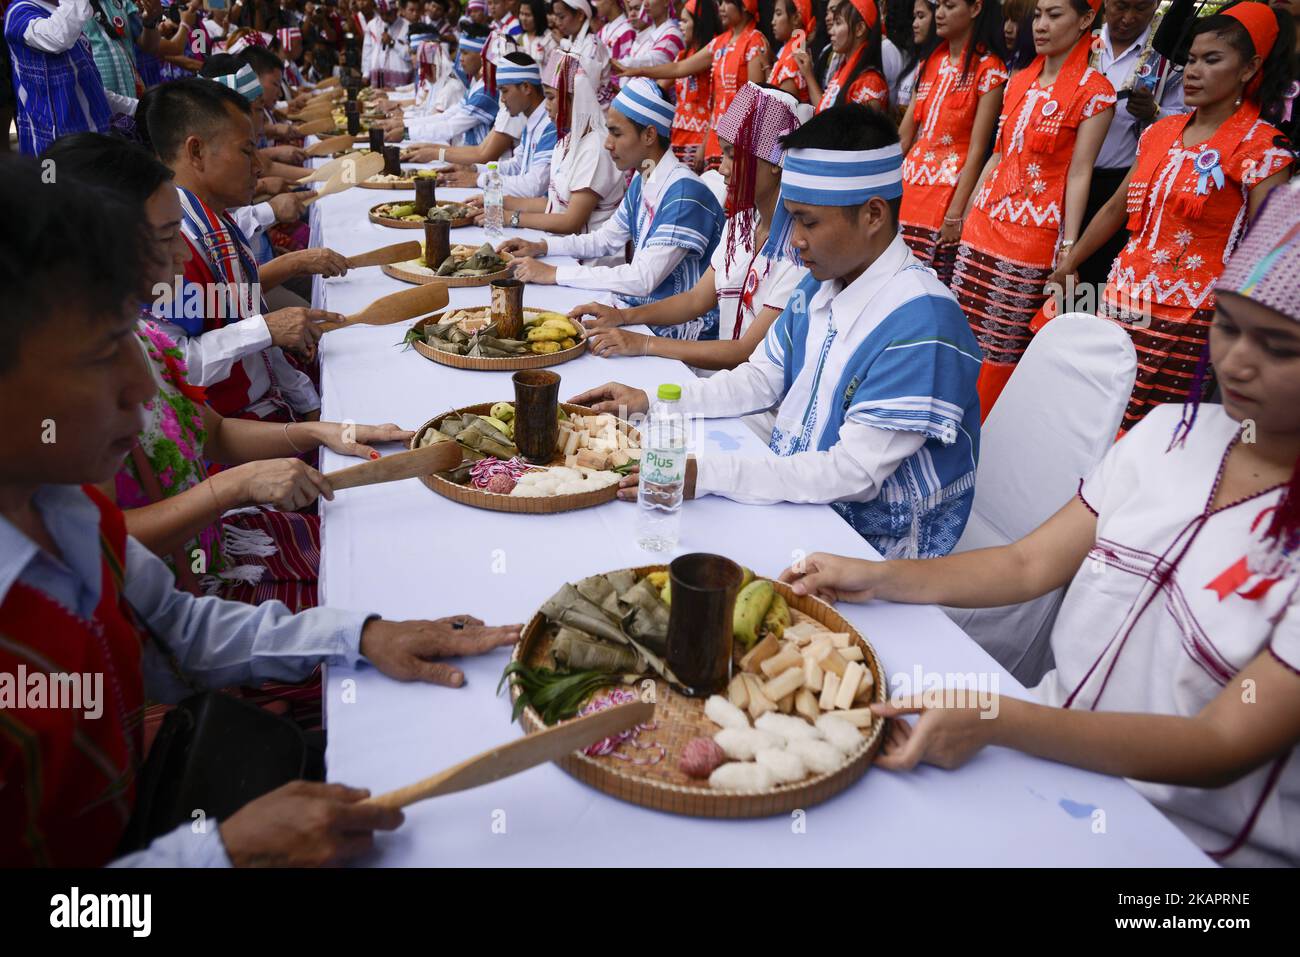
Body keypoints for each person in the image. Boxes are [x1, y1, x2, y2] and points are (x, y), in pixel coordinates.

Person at [0, 155, 520, 868]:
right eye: (99, 355)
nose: (139, 385)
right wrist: (223, 853)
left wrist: (360, 634)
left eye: (129, 337)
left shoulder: (63, 504)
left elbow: (180, 623)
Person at [781, 179, 1300, 867]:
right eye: (1228, 326)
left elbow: (1220, 745)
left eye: (1278, 346)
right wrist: (876, 575)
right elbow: (1029, 564)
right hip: (1049, 757)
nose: (1235, 360)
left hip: (1181, 841)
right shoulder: (1171, 436)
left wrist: (1005, 718)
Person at [573, 104, 983, 558]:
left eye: (809, 222)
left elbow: (852, 474)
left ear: (872, 215)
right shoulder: (821, 282)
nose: (797, 240)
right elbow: (761, 376)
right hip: (803, 498)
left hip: (873, 550)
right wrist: (650, 401)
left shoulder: (922, 324)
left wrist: (709, 475)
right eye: (793, 220)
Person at [1051, 1, 1295, 432]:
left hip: (1192, 318)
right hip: (1121, 298)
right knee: (1091, 416)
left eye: (1212, 60)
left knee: (1152, 430)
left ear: (1248, 69)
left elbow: (1267, 255)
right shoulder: (1161, 132)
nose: (1194, 71)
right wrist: (1070, 262)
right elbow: (1115, 208)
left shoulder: (1264, 152)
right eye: (1192, 60)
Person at [144, 78, 350, 422]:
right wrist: (265, 330)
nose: (258, 166)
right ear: (195, 152)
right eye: (246, 151)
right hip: (231, 430)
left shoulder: (216, 223)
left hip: (268, 403)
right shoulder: (171, 245)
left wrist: (309, 405)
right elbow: (172, 369)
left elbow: (255, 336)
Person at [951, 0, 1114, 417]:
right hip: (983, 224)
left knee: (1000, 346)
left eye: (1054, 15)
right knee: (959, 331)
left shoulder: (1096, 93)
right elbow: (997, 156)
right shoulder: (1019, 79)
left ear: (1086, 19)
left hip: (1033, 237)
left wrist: (1069, 249)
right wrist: (967, 213)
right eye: (1038, 14)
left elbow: (1080, 174)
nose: (1040, 25)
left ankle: (981, 435)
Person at [576, 81, 805, 369]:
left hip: (749, 398)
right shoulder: (741, 227)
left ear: (775, 161)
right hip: (724, 380)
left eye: (733, 155)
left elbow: (744, 351)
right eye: (723, 154)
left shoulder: (798, 251)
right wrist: (623, 317)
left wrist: (643, 343)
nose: (722, 168)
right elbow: (697, 299)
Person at [501, 77, 726, 338]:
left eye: (617, 133)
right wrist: (544, 247)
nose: (608, 143)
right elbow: (606, 239)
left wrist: (555, 273)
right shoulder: (646, 178)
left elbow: (642, 280)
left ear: (649, 135)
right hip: (641, 314)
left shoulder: (685, 195)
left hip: (682, 332)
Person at [1073, 0, 1188, 289]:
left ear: (1156, 7)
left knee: (1091, 279)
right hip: (1062, 177)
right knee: (1053, 269)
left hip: (1117, 185)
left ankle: (1080, 323)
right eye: (1120, 7)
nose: (1127, 18)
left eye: (1140, 9)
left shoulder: (1167, 57)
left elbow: (1187, 121)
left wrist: (1154, 113)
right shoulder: (1080, 38)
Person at [897, 0, 1008, 284]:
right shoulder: (931, 61)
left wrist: (957, 212)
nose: (940, 14)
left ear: (975, 9)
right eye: (938, 6)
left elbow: (978, 149)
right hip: (909, 185)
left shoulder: (990, 70)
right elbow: (905, 135)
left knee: (929, 282)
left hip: (948, 191)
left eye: (950, 5)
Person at [473, 47, 625, 231]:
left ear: (574, 99)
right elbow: (553, 205)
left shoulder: (595, 147)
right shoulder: (567, 142)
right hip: (564, 247)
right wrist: (500, 201)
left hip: (582, 258)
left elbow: (570, 222)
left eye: (551, 98)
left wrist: (510, 217)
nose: (546, 106)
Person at [617, 0, 768, 163]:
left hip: (738, 139)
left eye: (727, 3)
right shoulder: (720, 43)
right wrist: (639, 71)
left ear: (745, 6)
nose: (722, 8)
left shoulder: (755, 42)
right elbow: (678, 69)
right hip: (713, 138)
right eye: (721, 3)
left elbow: (756, 100)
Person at [4, 0, 137, 153]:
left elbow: (90, 89)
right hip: (55, 151)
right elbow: (58, 37)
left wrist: (136, 107)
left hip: (96, 141)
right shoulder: (18, 12)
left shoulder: (65, 13)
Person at [424, 51, 557, 191]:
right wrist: (474, 169)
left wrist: (480, 179)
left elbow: (533, 186)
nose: (502, 99)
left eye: (505, 91)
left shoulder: (549, 125)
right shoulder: (532, 120)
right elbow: (517, 165)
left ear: (526, 87)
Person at [395, 23, 497, 144]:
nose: (460, 58)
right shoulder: (476, 84)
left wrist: (406, 132)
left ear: (482, 56)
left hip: (474, 159)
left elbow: (450, 127)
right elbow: (446, 116)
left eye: (465, 53)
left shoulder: (485, 93)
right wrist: (403, 124)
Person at [808, 0, 889, 113]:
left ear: (859, 28)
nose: (831, 31)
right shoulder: (842, 72)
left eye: (838, 23)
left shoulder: (870, 84)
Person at [669, 0, 719, 169]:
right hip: (677, 138)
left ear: (698, 23)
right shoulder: (683, 55)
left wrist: (704, 145)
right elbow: (662, 82)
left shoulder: (713, 55)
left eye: (685, 21)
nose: (680, 26)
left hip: (699, 140)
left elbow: (717, 103)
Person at [621, 0, 685, 77]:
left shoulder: (672, 35)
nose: (645, 3)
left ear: (666, 2)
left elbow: (651, 62)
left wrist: (618, 64)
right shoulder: (647, 32)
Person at [768, 0, 813, 102]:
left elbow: (781, 110)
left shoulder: (794, 59)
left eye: (778, 14)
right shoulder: (793, 50)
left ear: (796, 18)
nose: (773, 22)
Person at [362, 0, 413, 86]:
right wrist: (366, 73)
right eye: (382, 14)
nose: (385, 17)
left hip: (399, 80)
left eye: (388, 14)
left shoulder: (408, 27)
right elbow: (367, 51)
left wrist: (392, 43)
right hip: (377, 78)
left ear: (396, 11)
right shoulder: (372, 25)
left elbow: (410, 55)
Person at [595, 0, 635, 100]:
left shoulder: (627, 29)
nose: (595, 4)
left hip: (617, 94)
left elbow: (624, 69)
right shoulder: (603, 30)